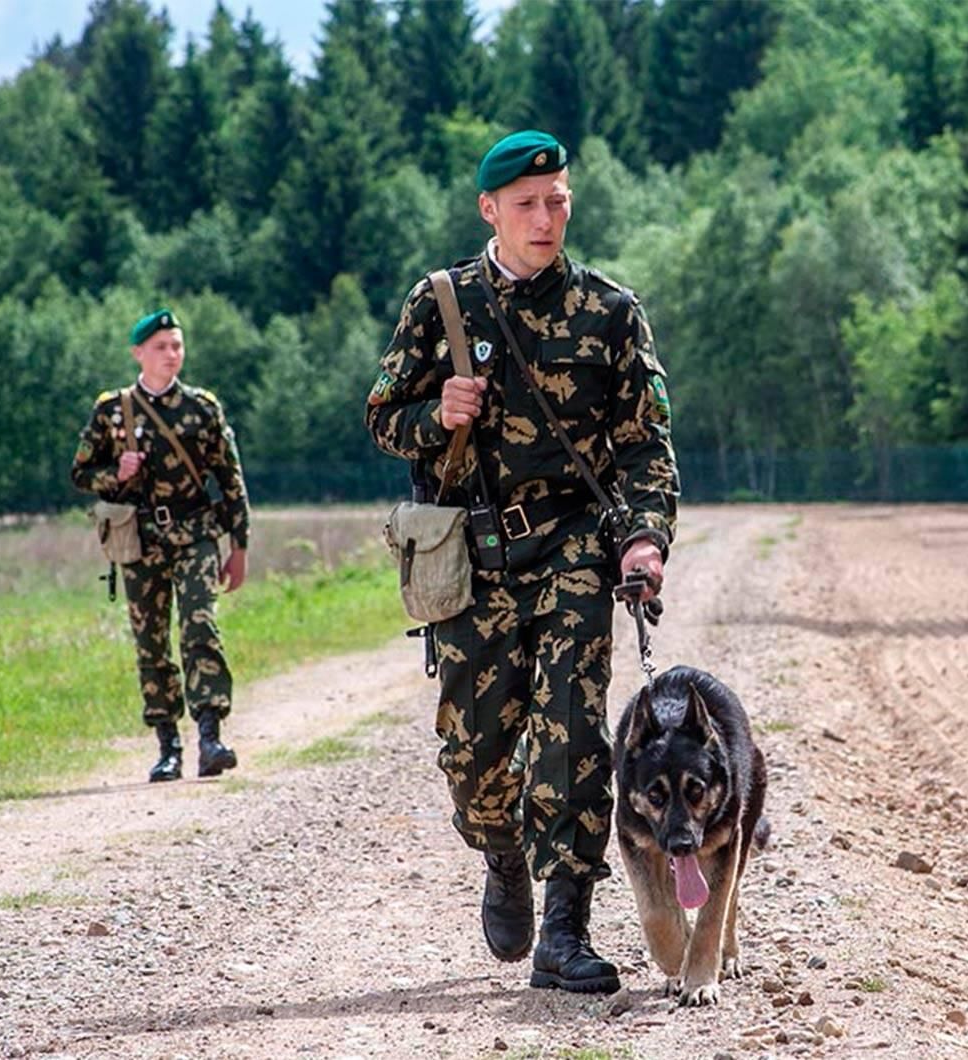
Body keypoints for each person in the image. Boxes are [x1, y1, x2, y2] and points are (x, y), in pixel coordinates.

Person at [365, 130, 678, 995]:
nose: (547, 218)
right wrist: (437, 414)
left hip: (576, 544)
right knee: (475, 753)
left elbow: (645, 446)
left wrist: (645, 536)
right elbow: (383, 416)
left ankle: (566, 929)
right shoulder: (441, 304)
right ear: (490, 210)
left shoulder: (611, 313)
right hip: (476, 550)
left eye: (559, 200)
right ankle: (501, 854)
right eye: (529, 204)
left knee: (573, 737)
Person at [72, 308, 252, 783]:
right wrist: (117, 473)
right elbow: (81, 473)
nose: (172, 355)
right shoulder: (112, 411)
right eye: (161, 347)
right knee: (151, 642)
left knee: (200, 629)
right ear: (138, 353)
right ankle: (167, 744)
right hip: (140, 541)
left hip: (195, 535)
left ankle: (210, 735)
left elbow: (230, 480)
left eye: (177, 345)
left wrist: (239, 545)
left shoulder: (202, 408)